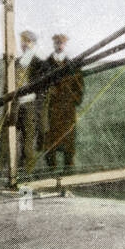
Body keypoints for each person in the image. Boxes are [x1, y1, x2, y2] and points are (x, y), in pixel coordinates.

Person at [42, 33, 84, 172]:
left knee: (68, 138)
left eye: (62, 43)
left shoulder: (72, 65)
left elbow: (79, 86)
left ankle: (68, 168)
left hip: (67, 109)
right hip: (51, 108)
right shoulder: (46, 64)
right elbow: (40, 86)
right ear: (53, 44)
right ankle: (51, 169)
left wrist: (75, 100)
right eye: (57, 42)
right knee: (50, 138)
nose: (59, 45)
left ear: (65, 45)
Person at [12, 30, 41, 175]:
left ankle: (27, 174)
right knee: (11, 141)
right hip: (16, 105)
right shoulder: (16, 62)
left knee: (28, 143)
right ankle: (12, 174)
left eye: (28, 41)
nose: (24, 44)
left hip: (30, 107)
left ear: (34, 44)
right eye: (23, 41)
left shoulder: (37, 63)